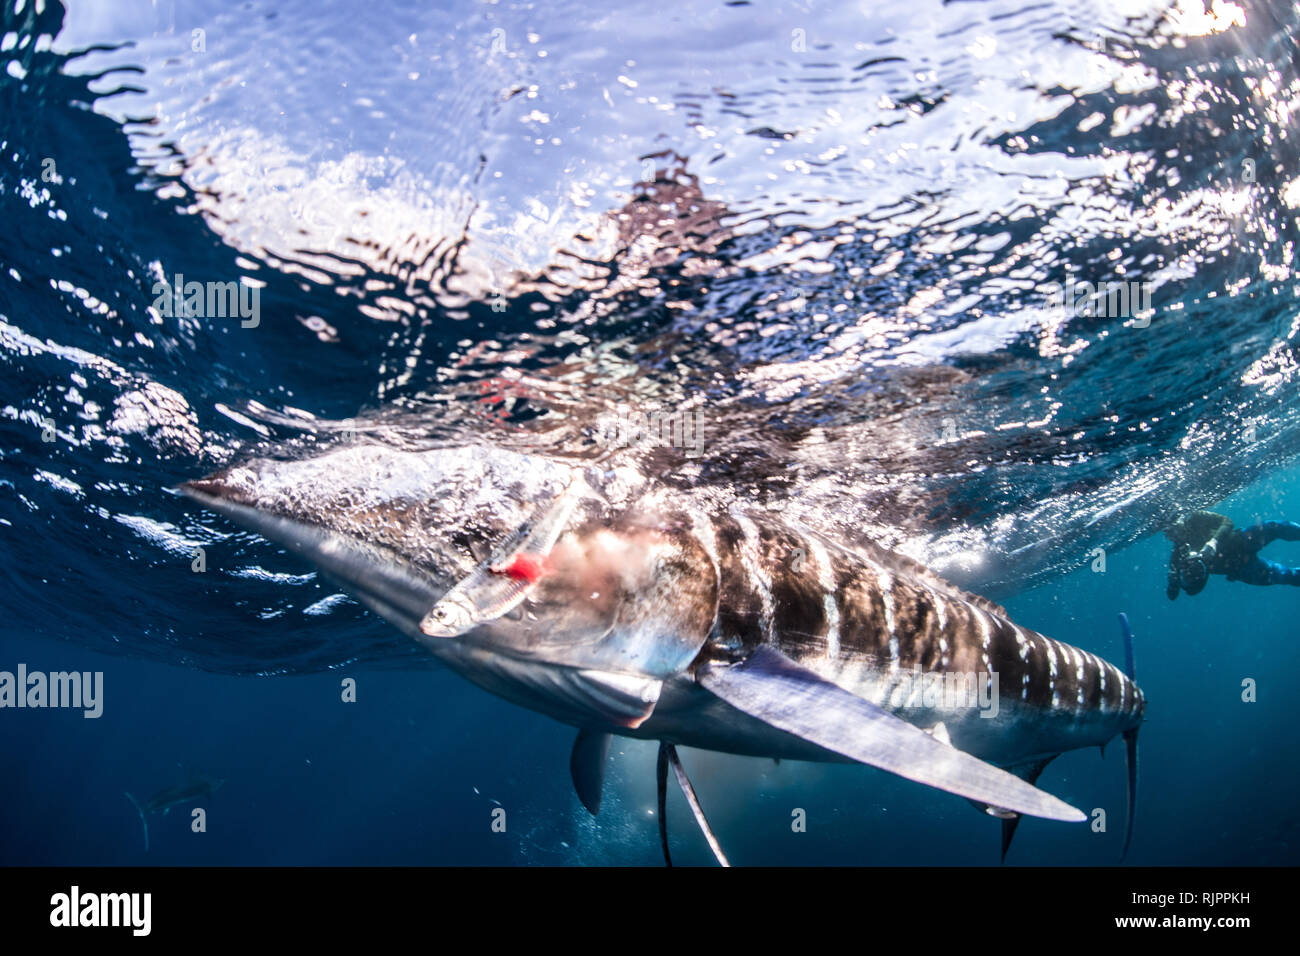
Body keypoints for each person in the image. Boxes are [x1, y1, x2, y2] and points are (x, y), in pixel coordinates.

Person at [1166, 510, 1300, 599]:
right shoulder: (1178, 553)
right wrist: (1173, 581)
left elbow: (1227, 522)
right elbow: (1175, 595)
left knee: (1274, 526)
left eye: (1172, 530)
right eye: (1167, 533)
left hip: (1242, 541)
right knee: (1287, 576)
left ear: (1180, 520)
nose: (1170, 536)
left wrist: (1214, 542)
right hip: (1241, 568)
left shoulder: (1196, 517)